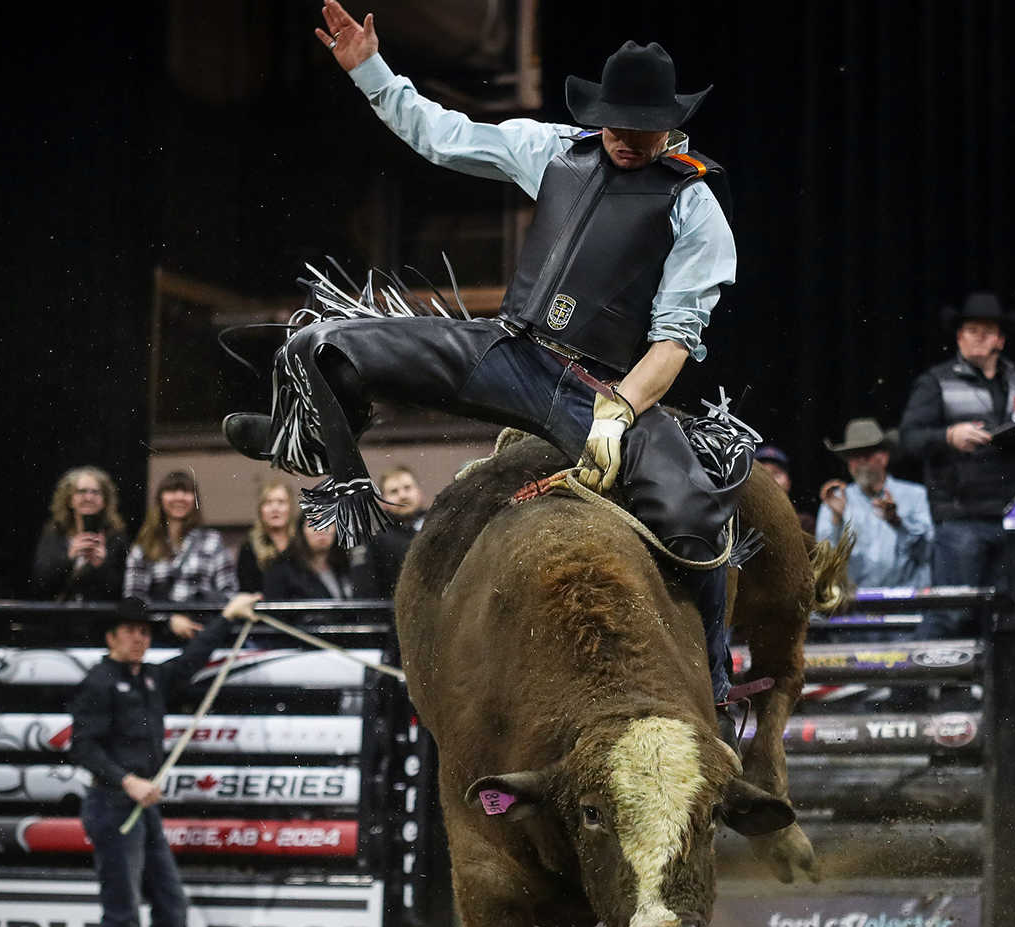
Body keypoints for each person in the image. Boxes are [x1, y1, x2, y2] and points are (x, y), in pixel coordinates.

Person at [221, 7, 748, 713]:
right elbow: (444, 136)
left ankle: (713, 682)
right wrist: (370, 71)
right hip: (505, 349)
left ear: (669, 124)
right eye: (615, 125)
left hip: (594, 388)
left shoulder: (694, 202)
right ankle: (305, 440)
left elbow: (676, 337)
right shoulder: (558, 148)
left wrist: (620, 409)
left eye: (639, 128)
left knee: (693, 513)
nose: (624, 139)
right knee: (320, 344)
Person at [69, 592, 258, 927]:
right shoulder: (98, 683)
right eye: (130, 632)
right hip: (114, 807)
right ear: (113, 637)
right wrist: (127, 780)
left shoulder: (151, 678)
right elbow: (83, 747)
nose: (138, 639)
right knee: (122, 914)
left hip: (140, 810)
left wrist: (227, 620)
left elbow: (191, 659)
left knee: (171, 907)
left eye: (143, 632)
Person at [899, 291, 1015, 634]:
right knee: (951, 614)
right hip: (961, 519)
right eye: (971, 329)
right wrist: (949, 436)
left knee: (1006, 621)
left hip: (1013, 519)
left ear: (1001, 340)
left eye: (987, 331)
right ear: (959, 336)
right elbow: (908, 439)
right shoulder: (936, 382)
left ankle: (991, 690)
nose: (978, 337)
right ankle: (913, 689)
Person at [816, 418, 933, 590]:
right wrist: (836, 519)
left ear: (884, 457)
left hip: (905, 603)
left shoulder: (914, 495)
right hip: (855, 604)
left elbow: (927, 553)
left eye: (867, 455)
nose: (861, 462)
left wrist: (897, 522)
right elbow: (824, 562)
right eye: (854, 456)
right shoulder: (836, 500)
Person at [125, 470, 236, 639]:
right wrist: (168, 620)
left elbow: (229, 593)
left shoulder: (212, 541)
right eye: (171, 491)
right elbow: (134, 599)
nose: (179, 497)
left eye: (186, 491)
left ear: (195, 499)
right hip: (156, 639)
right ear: (160, 499)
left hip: (201, 634)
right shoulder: (143, 546)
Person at [30, 467, 130, 602]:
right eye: (81, 491)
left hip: (99, 618)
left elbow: (122, 590)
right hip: (58, 617)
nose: (89, 497)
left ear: (104, 501)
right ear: (69, 499)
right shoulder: (54, 534)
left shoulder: (116, 538)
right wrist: (69, 557)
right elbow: (40, 583)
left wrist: (101, 565)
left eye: (96, 492)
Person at [352, 465, 427, 600]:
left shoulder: (436, 525)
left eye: (407, 488)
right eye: (394, 492)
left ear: (419, 492)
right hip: (389, 614)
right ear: (383, 502)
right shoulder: (372, 534)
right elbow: (364, 589)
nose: (403, 495)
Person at [263, 520, 355, 601]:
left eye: (327, 523)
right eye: (313, 524)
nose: (321, 530)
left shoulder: (344, 566)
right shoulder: (283, 568)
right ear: (302, 531)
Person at [236, 481, 298, 593]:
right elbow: (246, 590)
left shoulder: (301, 543)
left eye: (281, 502)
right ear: (260, 510)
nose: (275, 508)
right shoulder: (249, 547)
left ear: (290, 507)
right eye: (268, 503)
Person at [754, 445, 816, 534]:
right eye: (763, 474)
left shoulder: (805, 523)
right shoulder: (739, 520)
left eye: (776, 473)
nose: (770, 479)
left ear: (788, 482)